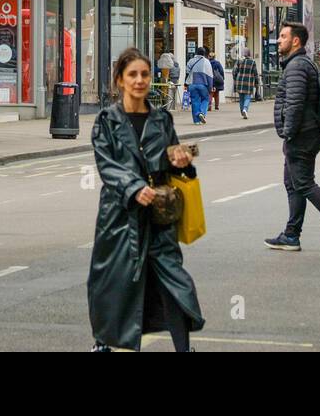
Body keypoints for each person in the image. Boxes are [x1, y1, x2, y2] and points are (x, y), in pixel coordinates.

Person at [87, 47, 204, 352]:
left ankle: (184, 347)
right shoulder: (106, 121)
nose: (139, 80)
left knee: (174, 284)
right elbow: (107, 165)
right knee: (112, 284)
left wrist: (182, 162)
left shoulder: (162, 119)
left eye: (144, 74)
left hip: (160, 218)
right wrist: (133, 187)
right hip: (120, 220)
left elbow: (173, 156)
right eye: (132, 75)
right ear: (120, 81)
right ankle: (104, 342)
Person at [265, 21, 320, 256]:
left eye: (283, 36)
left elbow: (294, 103)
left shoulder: (296, 67)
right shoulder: (302, 63)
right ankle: (291, 234)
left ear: (296, 41)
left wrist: (288, 131)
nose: (279, 40)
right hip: (307, 132)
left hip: (302, 134)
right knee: (293, 183)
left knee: (303, 183)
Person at [184, 46, 213, 124]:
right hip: (203, 84)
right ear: (204, 53)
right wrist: (210, 87)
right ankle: (202, 113)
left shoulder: (191, 61)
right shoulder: (207, 62)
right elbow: (210, 76)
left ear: (196, 53)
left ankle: (196, 121)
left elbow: (187, 73)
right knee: (206, 99)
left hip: (192, 84)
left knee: (194, 101)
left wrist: (185, 84)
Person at [232, 49, 260, 119]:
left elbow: (234, 71)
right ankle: (245, 109)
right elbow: (255, 74)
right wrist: (257, 83)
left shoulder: (239, 61)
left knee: (241, 98)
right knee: (247, 97)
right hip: (249, 81)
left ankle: (242, 112)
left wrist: (235, 78)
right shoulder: (252, 62)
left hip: (239, 81)